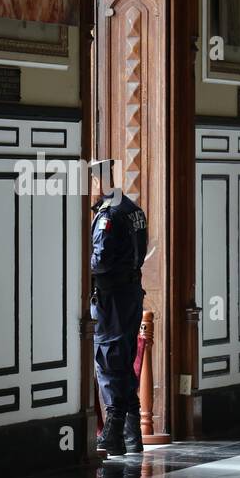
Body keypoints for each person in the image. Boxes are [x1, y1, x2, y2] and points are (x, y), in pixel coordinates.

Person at [89, 170, 149, 457]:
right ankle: (132, 436)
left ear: (99, 182)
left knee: (109, 359)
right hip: (131, 294)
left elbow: (99, 262)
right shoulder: (134, 209)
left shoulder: (107, 215)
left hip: (110, 299)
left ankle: (113, 436)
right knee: (124, 361)